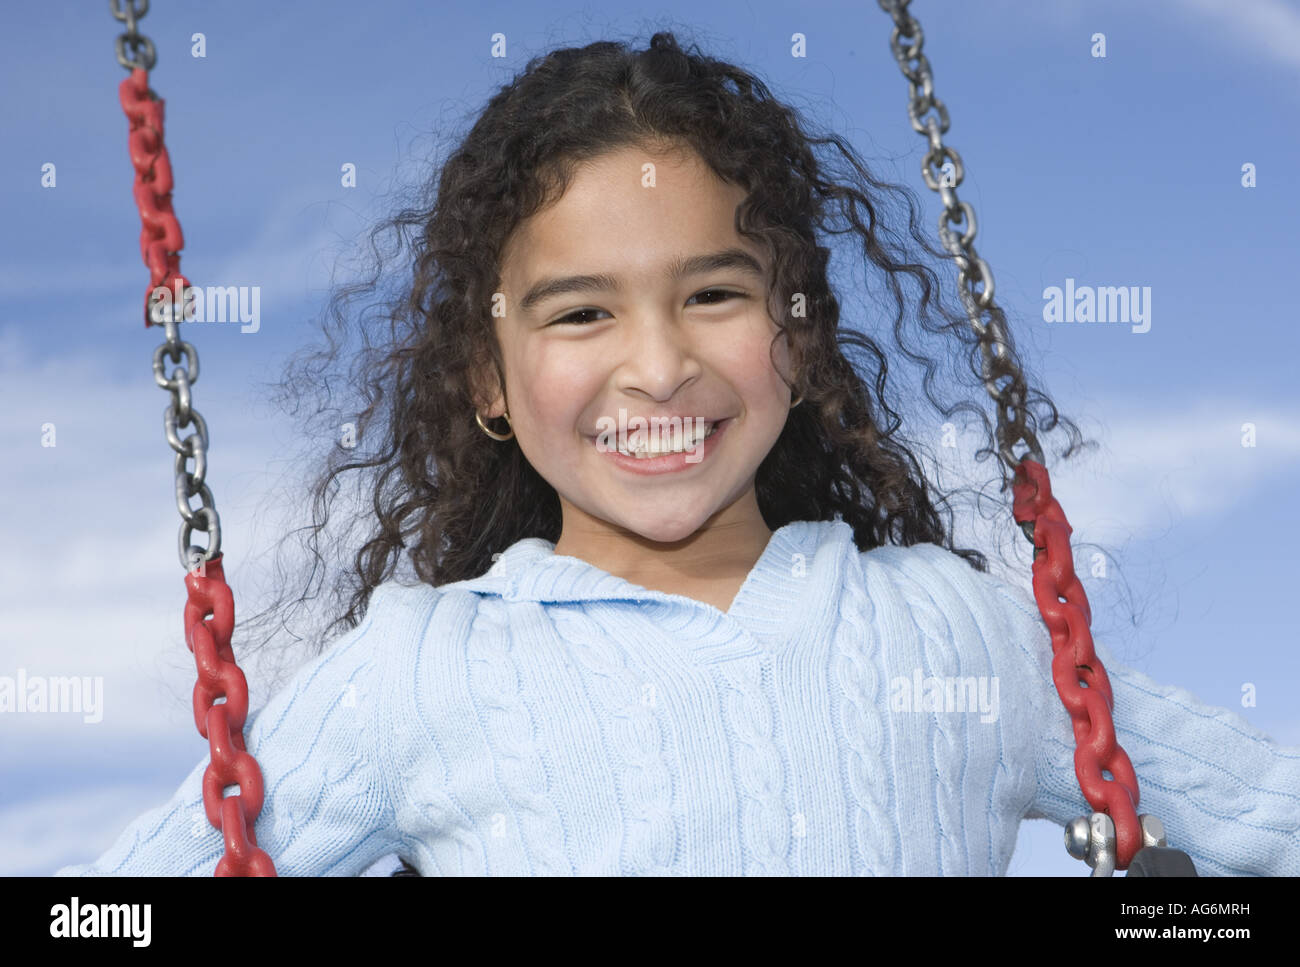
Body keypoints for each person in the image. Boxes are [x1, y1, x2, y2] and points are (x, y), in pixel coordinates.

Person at [55, 32, 1299, 877]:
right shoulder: (424, 674)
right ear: (487, 378)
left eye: (712, 294)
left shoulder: (956, 632)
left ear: (796, 336)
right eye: (581, 313)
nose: (656, 367)